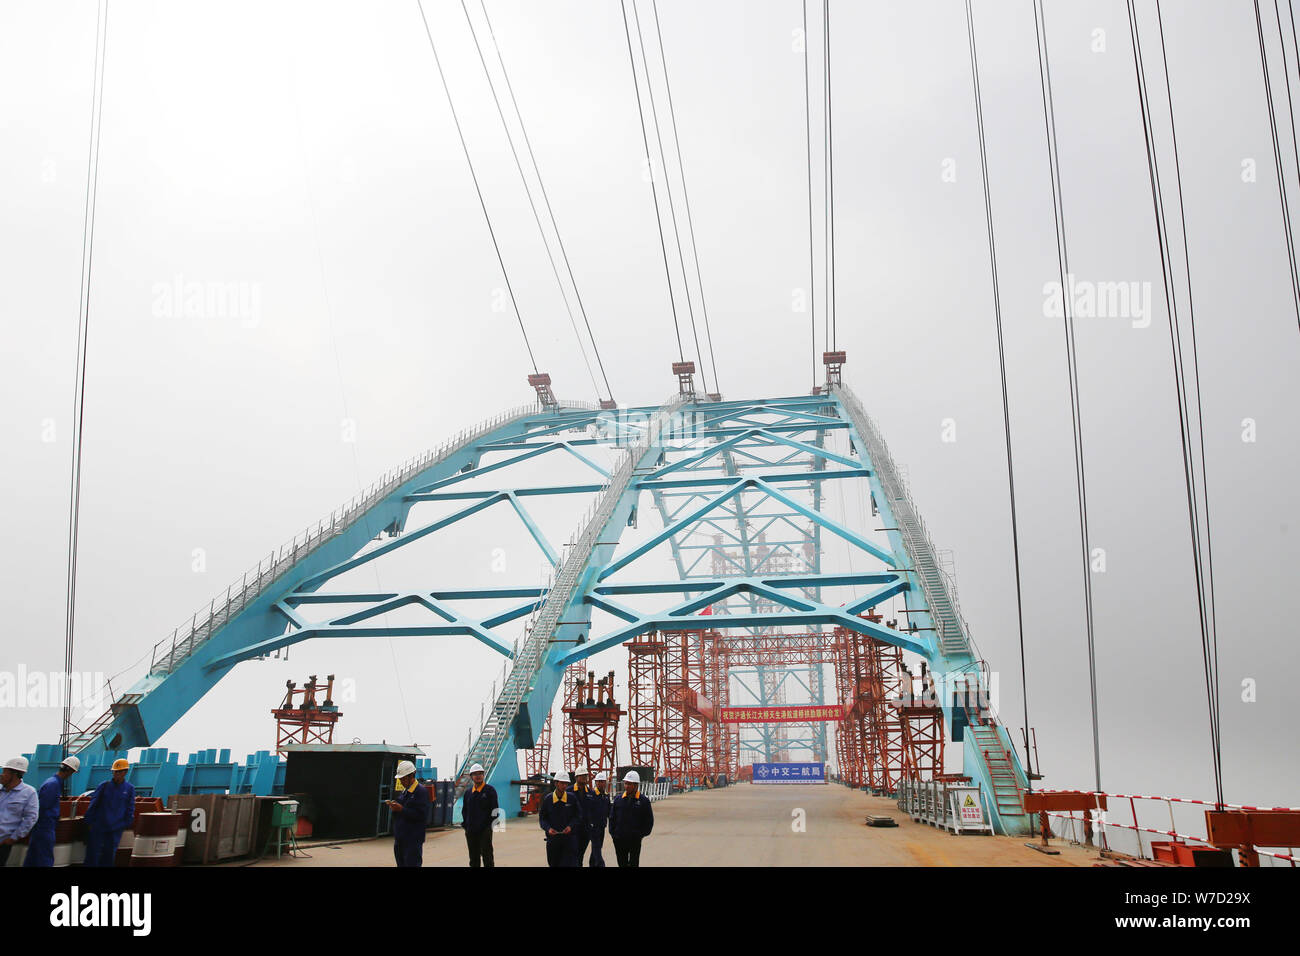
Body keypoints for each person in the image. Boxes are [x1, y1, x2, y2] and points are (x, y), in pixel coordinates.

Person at [24, 756, 79, 868]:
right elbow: (42, 808)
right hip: (44, 828)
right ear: (70, 771)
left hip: (42, 828)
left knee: (32, 859)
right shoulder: (53, 785)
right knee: (44, 859)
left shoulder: (52, 782)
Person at [84, 758, 135, 868]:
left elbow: (130, 808)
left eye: (118, 772)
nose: (115, 774)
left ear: (125, 772)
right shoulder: (104, 786)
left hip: (115, 829)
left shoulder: (129, 789)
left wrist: (124, 824)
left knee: (109, 856)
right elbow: (93, 804)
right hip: (99, 827)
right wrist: (89, 823)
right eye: (114, 772)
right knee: (92, 855)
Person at [385, 760, 430, 867]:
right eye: (400, 779)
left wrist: (401, 809)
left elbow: (421, 815)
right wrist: (395, 807)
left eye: (403, 779)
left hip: (412, 840)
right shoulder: (405, 792)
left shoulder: (421, 792)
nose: (401, 782)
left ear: (412, 776)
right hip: (401, 839)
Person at [537, 771, 584, 867]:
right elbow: (542, 819)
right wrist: (548, 828)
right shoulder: (548, 799)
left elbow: (578, 816)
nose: (564, 786)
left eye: (566, 783)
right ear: (556, 783)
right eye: (562, 783)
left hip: (569, 840)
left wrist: (571, 826)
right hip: (553, 841)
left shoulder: (571, 798)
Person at [609, 770, 654, 867]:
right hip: (619, 839)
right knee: (622, 863)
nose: (626, 786)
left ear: (636, 785)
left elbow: (649, 820)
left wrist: (641, 834)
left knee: (634, 863)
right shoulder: (618, 799)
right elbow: (612, 818)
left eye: (629, 784)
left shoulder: (643, 801)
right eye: (625, 783)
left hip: (635, 840)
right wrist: (613, 834)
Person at [0, 757, 39, 867]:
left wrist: (13, 838)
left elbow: (31, 818)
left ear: (15, 774)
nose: (2, 775)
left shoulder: (29, 793)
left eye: (5, 772)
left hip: (3, 843)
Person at [461, 762, 498, 868]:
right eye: (475, 774)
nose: (478, 776)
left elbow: (495, 810)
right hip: (471, 831)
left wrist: (487, 826)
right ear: (471, 776)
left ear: (483, 775)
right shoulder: (468, 793)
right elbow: (465, 811)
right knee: (473, 858)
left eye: (480, 773)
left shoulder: (489, 790)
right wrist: (466, 826)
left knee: (487, 857)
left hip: (484, 831)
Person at [585, 770, 613, 868]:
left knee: (597, 847)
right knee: (597, 847)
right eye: (599, 782)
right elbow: (587, 810)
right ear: (595, 783)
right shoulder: (591, 795)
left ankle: (592, 864)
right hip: (593, 827)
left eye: (603, 781)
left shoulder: (606, 796)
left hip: (602, 826)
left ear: (605, 783)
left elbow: (609, 810)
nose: (601, 784)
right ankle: (601, 865)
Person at [571, 767, 594, 864]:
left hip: (585, 830)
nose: (585, 778)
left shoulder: (590, 793)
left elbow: (594, 810)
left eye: (586, 776)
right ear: (576, 777)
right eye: (582, 776)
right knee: (573, 855)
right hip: (572, 829)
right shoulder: (569, 791)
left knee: (580, 854)